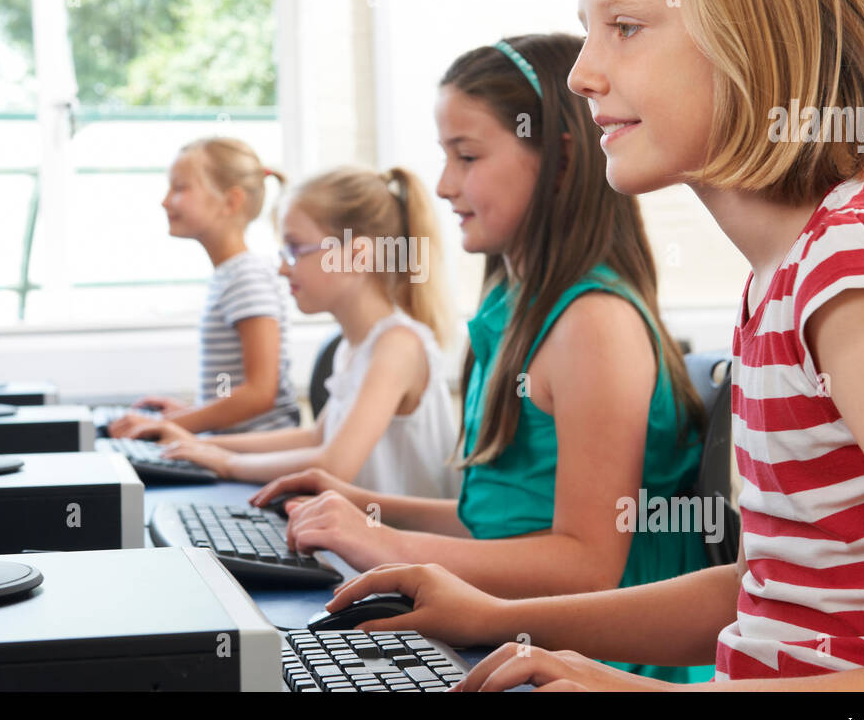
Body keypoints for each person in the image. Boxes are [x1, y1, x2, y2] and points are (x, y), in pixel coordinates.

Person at [328, 0, 864, 691]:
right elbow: (767, 593)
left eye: (624, 27)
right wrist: (497, 615)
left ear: (764, 36)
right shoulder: (786, 278)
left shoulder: (862, 279)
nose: (581, 75)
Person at [252, 33, 713, 683]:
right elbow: (502, 520)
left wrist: (390, 544)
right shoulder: (514, 308)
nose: (443, 184)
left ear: (559, 161)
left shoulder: (594, 324)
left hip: (589, 659)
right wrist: (367, 505)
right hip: (517, 627)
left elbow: (586, 562)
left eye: (466, 156)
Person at [144, 166, 460, 499]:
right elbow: (316, 438)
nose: (281, 267)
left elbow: (335, 463)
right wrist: (199, 443)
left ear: (356, 255)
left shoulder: (398, 346)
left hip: (405, 548)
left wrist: (227, 463)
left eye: (295, 249)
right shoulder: (353, 346)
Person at [110, 136, 300, 437]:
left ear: (231, 201)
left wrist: (165, 425)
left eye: (180, 188)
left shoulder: (246, 277)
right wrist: (190, 412)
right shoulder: (231, 275)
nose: (165, 200)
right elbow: (231, 389)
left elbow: (260, 393)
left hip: (254, 453)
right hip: (230, 446)